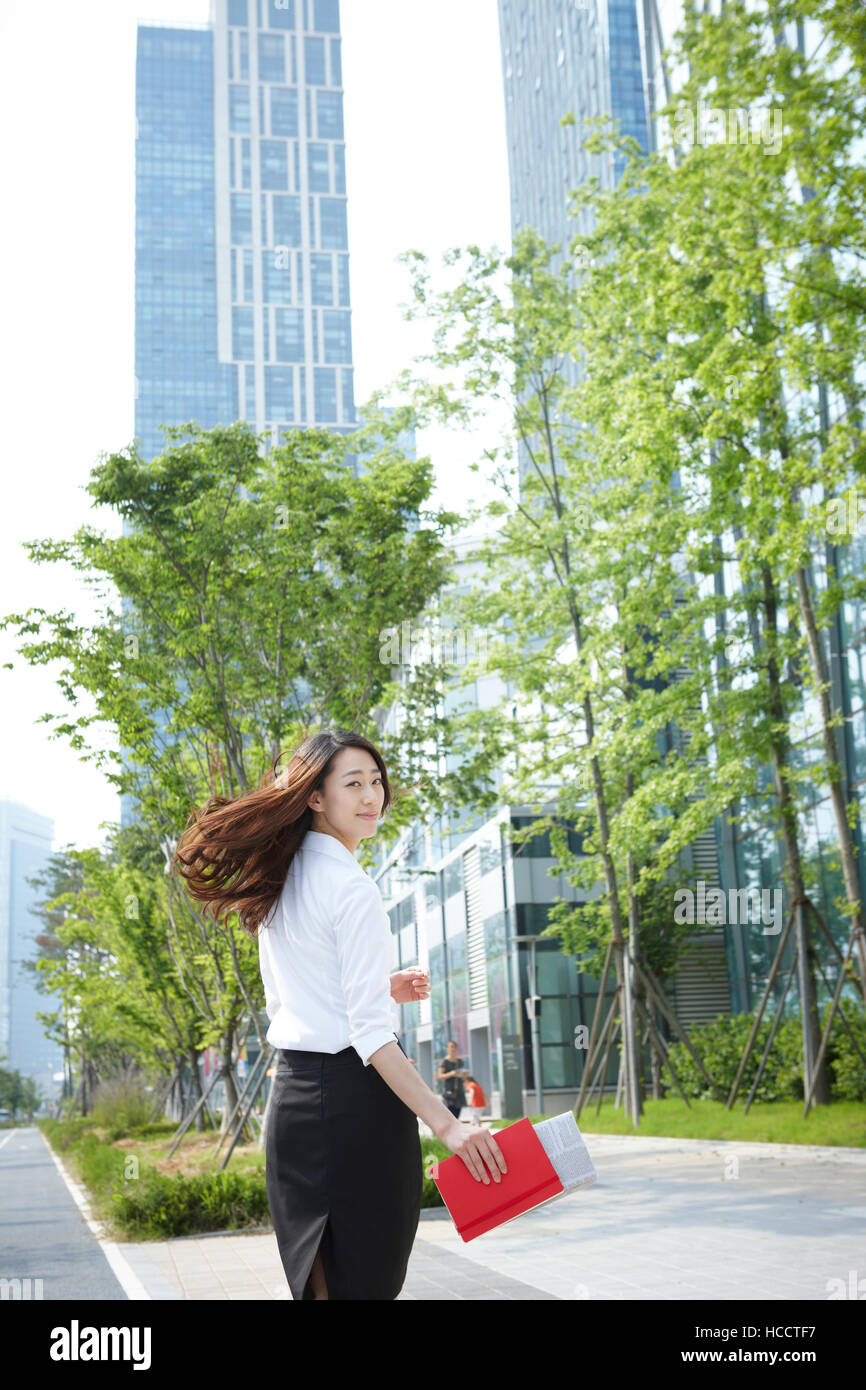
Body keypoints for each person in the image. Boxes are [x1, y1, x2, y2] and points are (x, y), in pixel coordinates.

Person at [173, 727, 507, 1302]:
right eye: (352, 783)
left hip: (295, 1103)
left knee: (322, 1288)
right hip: (358, 1109)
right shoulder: (351, 889)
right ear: (315, 797)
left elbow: (300, 996)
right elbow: (371, 1038)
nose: (371, 795)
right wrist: (447, 1124)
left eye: (375, 780)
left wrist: (378, 990)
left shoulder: (277, 881)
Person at [437, 1040, 468, 1119]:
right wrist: (451, 1074)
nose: (452, 1049)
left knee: (456, 1117)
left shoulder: (460, 1062)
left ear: (457, 1048)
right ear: (447, 1049)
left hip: (459, 1092)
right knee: (450, 1117)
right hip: (449, 1093)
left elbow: (463, 1077)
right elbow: (439, 1076)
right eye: (450, 1047)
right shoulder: (444, 1062)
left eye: (453, 1047)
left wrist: (464, 1076)